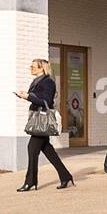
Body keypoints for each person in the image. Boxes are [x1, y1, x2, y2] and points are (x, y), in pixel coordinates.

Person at [15, 58, 73, 191]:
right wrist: (25, 96)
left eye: (33, 66)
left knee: (32, 148)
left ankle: (30, 182)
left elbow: (46, 101)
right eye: (31, 66)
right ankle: (65, 176)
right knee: (48, 150)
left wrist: (28, 97)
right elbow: (36, 98)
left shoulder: (48, 82)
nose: (31, 68)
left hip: (42, 121)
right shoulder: (36, 81)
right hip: (38, 119)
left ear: (42, 68)